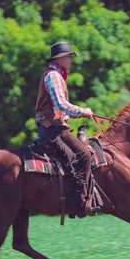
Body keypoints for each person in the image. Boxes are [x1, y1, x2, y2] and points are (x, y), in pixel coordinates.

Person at [35, 41, 98, 218]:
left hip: (54, 126)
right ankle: (80, 203)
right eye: (69, 56)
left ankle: (72, 198)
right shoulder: (54, 76)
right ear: (60, 58)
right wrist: (82, 112)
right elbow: (60, 104)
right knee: (84, 156)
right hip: (53, 128)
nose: (71, 59)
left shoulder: (56, 74)